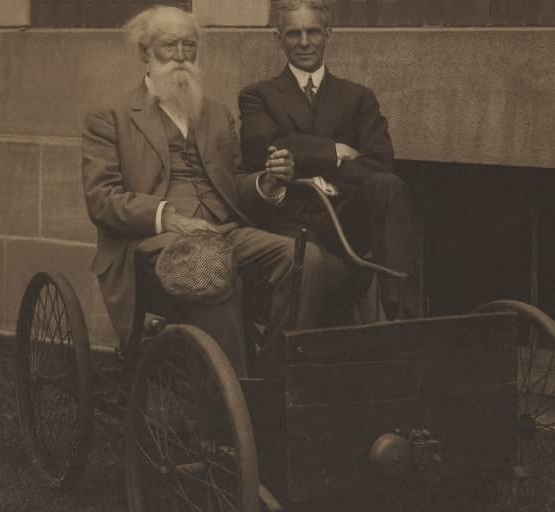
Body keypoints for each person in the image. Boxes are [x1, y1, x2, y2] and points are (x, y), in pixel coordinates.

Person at [81, 5, 341, 376]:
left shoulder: (217, 114)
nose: (182, 57)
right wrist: (168, 217)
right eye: (170, 46)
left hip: (223, 230)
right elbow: (101, 199)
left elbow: (234, 182)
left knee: (304, 260)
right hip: (153, 242)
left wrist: (266, 184)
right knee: (211, 267)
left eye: (190, 46)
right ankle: (225, 409)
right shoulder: (111, 116)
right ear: (145, 52)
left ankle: (271, 377)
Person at [238, 0, 419, 320]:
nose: (304, 42)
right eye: (293, 34)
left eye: (313, 32)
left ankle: (401, 315)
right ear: (278, 39)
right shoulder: (258, 96)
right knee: (329, 276)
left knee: (389, 186)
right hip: (291, 221)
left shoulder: (358, 97)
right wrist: (335, 152)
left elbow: (379, 162)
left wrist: (306, 157)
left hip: (346, 218)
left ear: (328, 34)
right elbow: (265, 147)